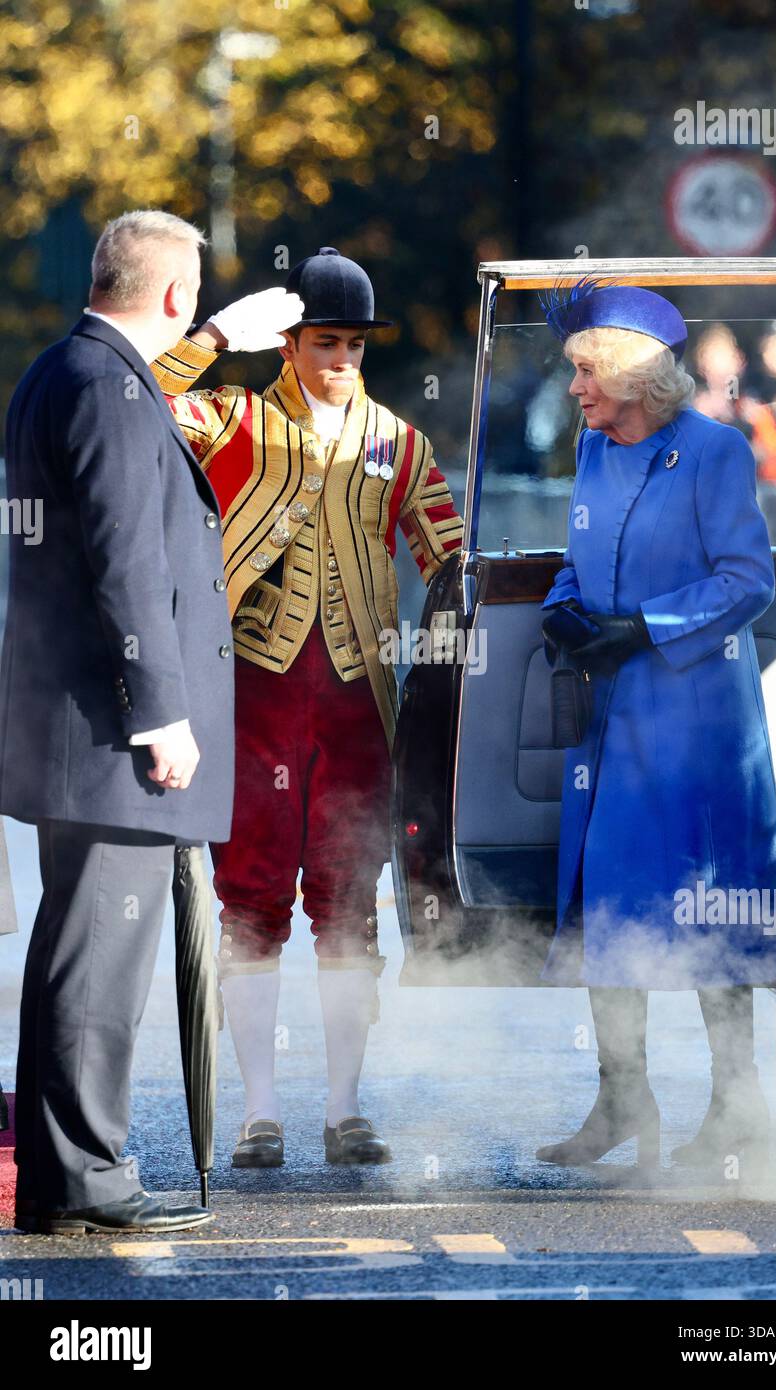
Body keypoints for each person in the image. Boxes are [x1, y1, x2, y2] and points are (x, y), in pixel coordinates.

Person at [150, 248, 463, 1166]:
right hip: (251, 692)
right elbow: (137, 400)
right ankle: (257, 1110)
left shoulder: (401, 442)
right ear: (286, 345)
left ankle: (343, 1107)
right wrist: (207, 340)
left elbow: (446, 554)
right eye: (324, 342)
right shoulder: (235, 417)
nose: (340, 360)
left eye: (354, 345)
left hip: (359, 705)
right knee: (249, 902)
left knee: (347, 903)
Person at [0, 211, 235, 1233]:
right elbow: (125, 564)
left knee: (76, 956)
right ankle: (86, 1181)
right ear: (175, 296)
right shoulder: (106, 385)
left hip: (78, 727)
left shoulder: (69, 368)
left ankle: (63, 1179)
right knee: (98, 966)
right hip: (111, 732)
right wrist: (162, 714)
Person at [534, 279, 776, 1170]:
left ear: (631, 376)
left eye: (584, 373)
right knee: (610, 901)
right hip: (611, 718)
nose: (574, 390)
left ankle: (739, 1103)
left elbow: (746, 580)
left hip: (696, 720)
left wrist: (643, 627)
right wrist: (564, 606)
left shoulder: (717, 452)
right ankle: (621, 1098)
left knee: (710, 899)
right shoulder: (593, 450)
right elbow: (578, 557)